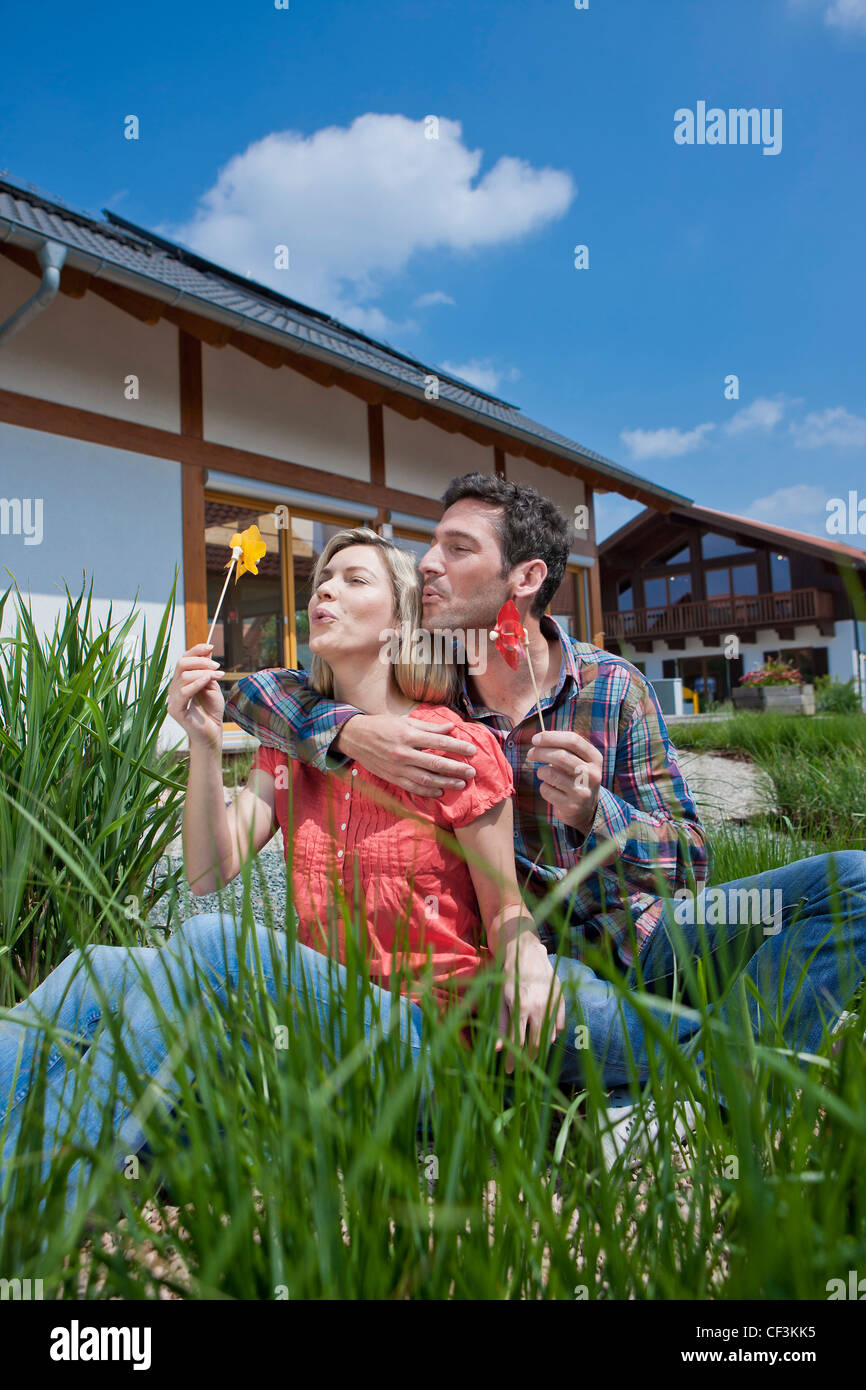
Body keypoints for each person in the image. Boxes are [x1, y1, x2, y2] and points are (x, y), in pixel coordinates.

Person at [224, 473, 866, 1164]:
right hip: (529, 954)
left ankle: (712, 1088)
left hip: (643, 935)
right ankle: (659, 1085)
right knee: (543, 1027)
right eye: (432, 546)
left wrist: (598, 812)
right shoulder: (430, 684)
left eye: (457, 548)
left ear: (524, 577)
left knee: (856, 882)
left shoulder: (612, 686)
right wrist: (346, 728)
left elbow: (692, 858)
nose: (430, 564)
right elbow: (262, 692)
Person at [0, 527, 565, 1221]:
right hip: (316, 1033)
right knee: (97, 967)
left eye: (355, 579)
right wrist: (205, 746)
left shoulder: (455, 748)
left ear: (401, 621)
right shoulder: (294, 751)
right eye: (323, 579)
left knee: (211, 945)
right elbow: (209, 871)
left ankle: (27, 1208)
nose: (324, 588)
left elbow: (505, 908)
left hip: (429, 1050)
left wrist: (527, 952)